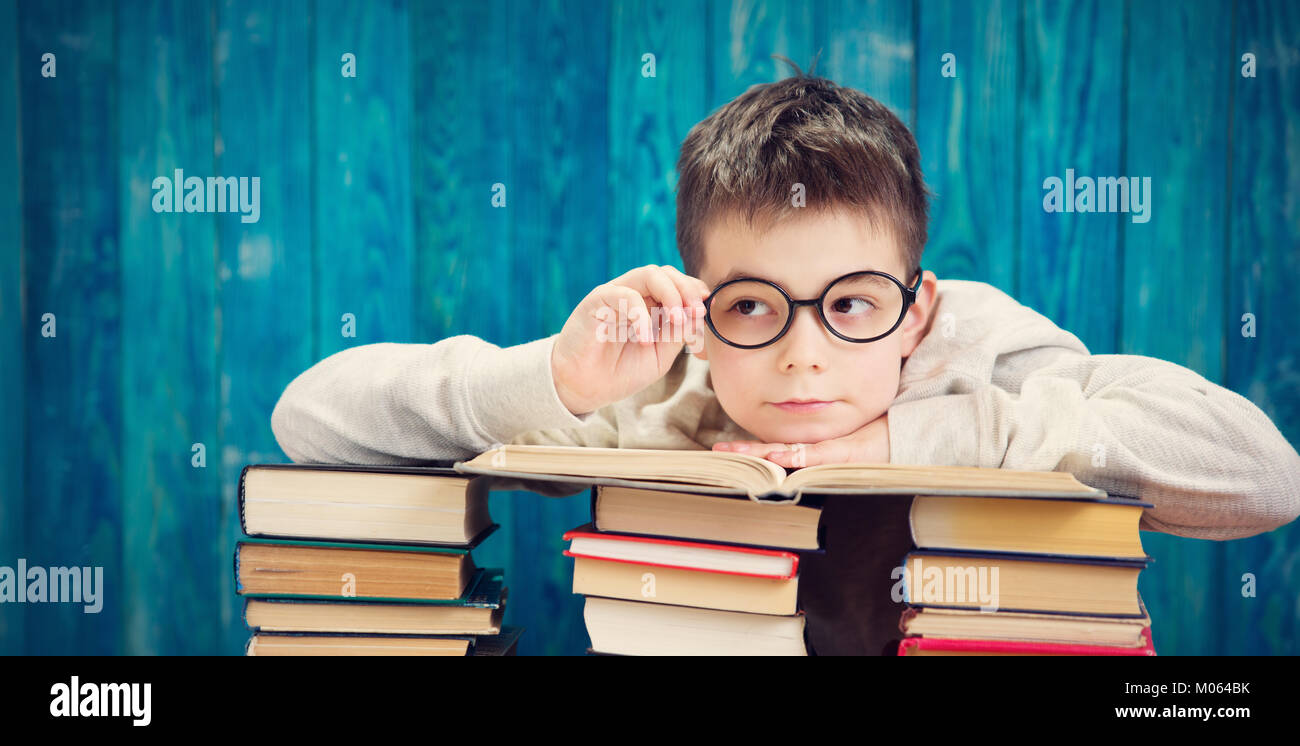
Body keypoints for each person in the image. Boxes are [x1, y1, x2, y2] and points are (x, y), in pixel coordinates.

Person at [270, 70, 1300, 655]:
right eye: (753, 305)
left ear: (914, 308)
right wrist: (555, 379)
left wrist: (931, 433)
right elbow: (309, 415)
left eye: (852, 303)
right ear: (702, 308)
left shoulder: (974, 346)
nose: (804, 355)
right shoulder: (660, 382)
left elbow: (1266, 476)